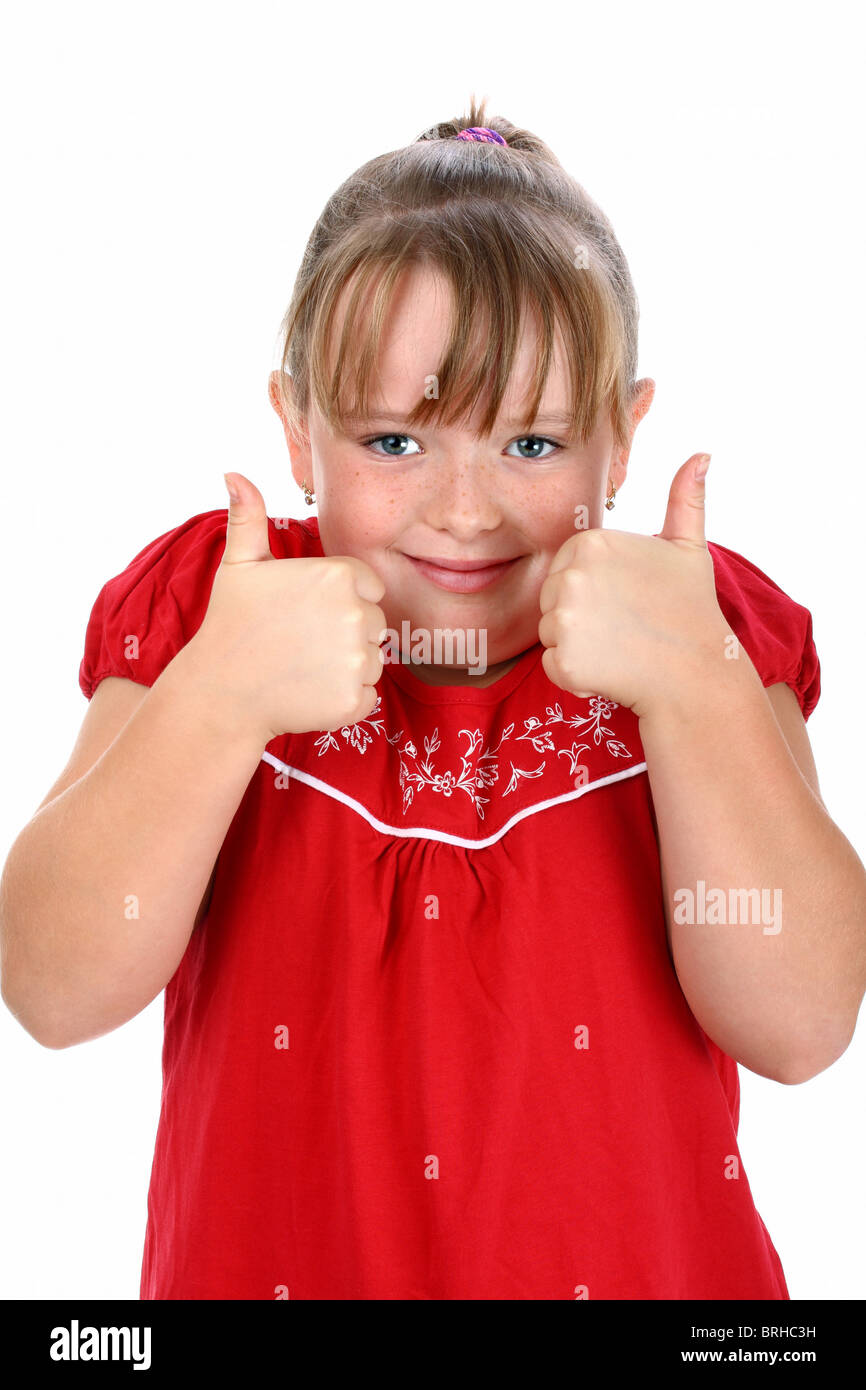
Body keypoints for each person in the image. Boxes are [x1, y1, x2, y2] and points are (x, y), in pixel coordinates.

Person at [2, 99, 865, 1301]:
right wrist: (218, 699)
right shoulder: (219, 605)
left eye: (531, 445)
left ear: (621, 441)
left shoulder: (697, 623)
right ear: (297, 428)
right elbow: (51, 985)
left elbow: (801, 1027)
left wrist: (698, 690)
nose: (464, 510)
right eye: (395, 442)